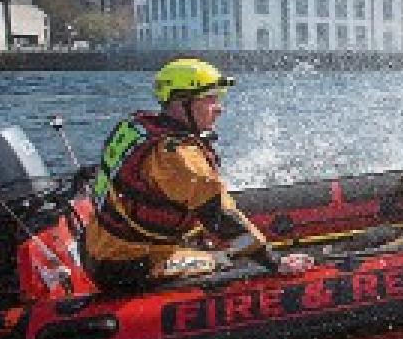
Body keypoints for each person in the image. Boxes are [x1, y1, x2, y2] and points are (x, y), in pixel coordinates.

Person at [84, 57, 313, 287]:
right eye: (210, 100)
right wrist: (274, 261)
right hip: (129, 265)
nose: (219, 109)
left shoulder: (138, 127)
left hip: (97, 246)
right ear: (181, 103)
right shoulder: (180, 156)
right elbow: (221, 219)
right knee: (223, 260)